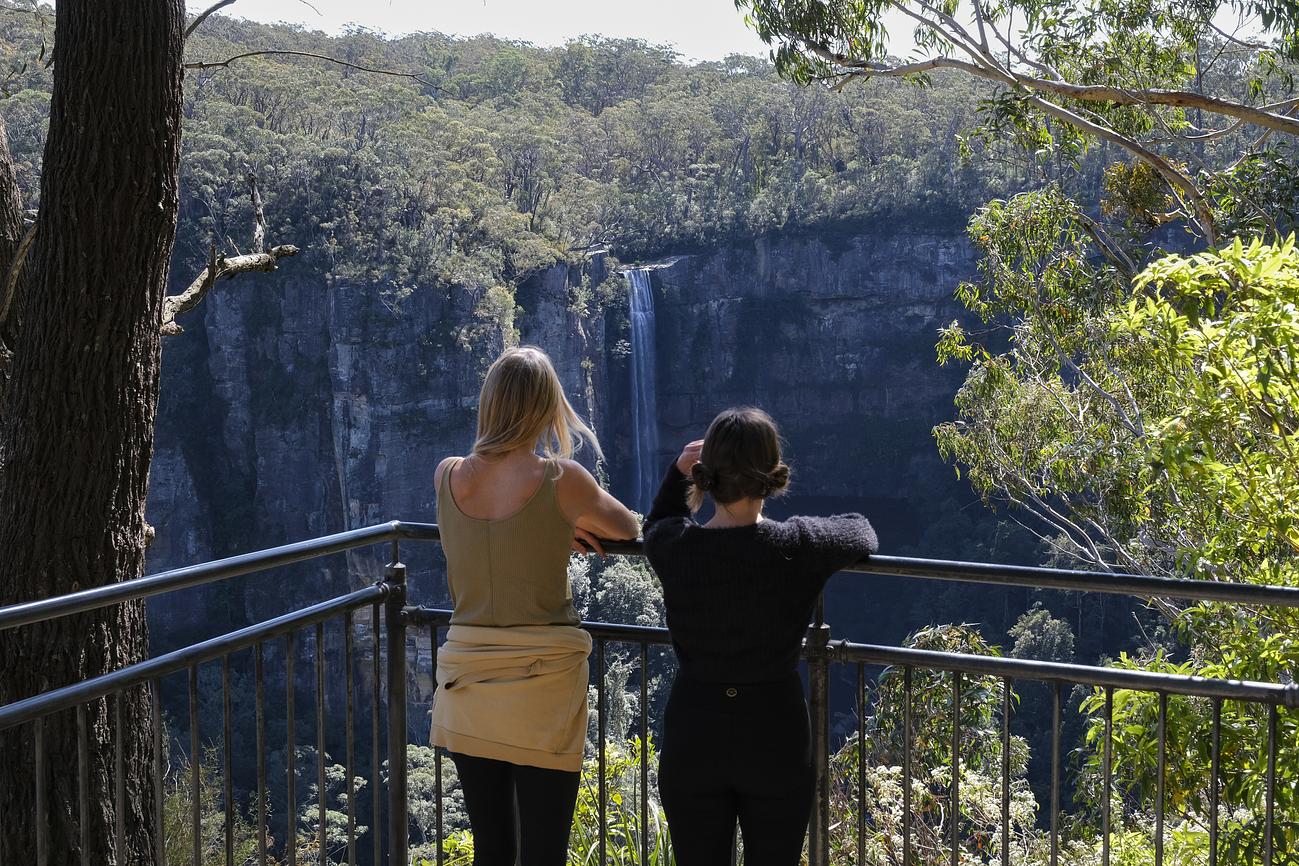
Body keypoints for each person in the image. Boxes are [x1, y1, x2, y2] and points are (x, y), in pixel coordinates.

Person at [429, 346, 639, 866]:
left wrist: (550, 527)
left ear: (490, 403)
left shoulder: (447, 475)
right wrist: (562, 525)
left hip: (468, 682)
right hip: (543, 686)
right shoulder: (562, 480)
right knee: (544, 853)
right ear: (546, 408)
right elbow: (630, 530)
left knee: (492, 851)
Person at [642, 407, 878, 864]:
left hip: (695, 728)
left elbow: (657, 521)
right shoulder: (798, 545)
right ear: (772, 474)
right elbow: (861, 530)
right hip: (775, 731)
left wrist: (678, 473)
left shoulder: (675, 547)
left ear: (705, 476)